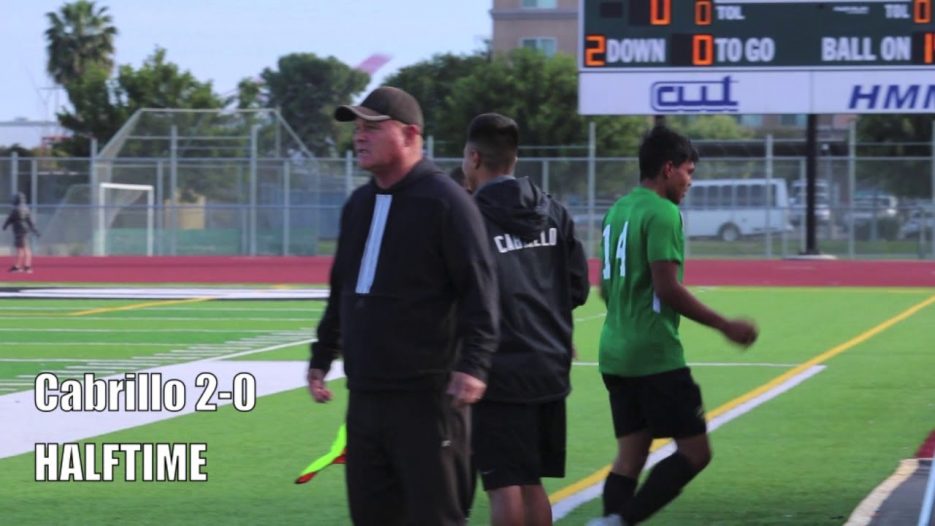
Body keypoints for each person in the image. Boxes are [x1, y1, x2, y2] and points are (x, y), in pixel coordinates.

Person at [306, 86, 499, 526]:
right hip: (366, 399)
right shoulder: (358, 204)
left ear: (410, 134)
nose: (359, 137)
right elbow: (343, 290)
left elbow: (481, 291)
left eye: (372, 127)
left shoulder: (446, 202)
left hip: (428, 401)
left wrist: (474, 365)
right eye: (357, 128)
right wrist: (322, 355)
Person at [590, 126, 758, 525]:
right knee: (696, 453)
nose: (690, 181)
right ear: (668, 169)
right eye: (688, 171)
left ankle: (612, 519)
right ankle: (620, 522)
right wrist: (724, 325)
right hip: (655, 357)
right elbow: (667, 288)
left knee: (629, 459)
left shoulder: (618, 210)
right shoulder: (664, 213)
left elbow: (604, 290)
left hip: (614, 353)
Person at [461, 113, 590, 526]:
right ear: (514, 159)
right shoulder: (554, 211)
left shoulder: (470, 217)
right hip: (550, 366)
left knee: (504, 485)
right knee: (531, 480)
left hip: (499, 371)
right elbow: (577, 287)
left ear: (473, 157)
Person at [3, 192, 40, 273]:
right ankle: (26, 266)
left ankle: (20, 266)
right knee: (25, 247)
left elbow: (10, 219)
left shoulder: (16, 209)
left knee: (21, 249)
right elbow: (30, 221)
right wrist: (35, 230)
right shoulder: (26, 208)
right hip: (24, 230)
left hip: (19, 230)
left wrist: (5, 226)